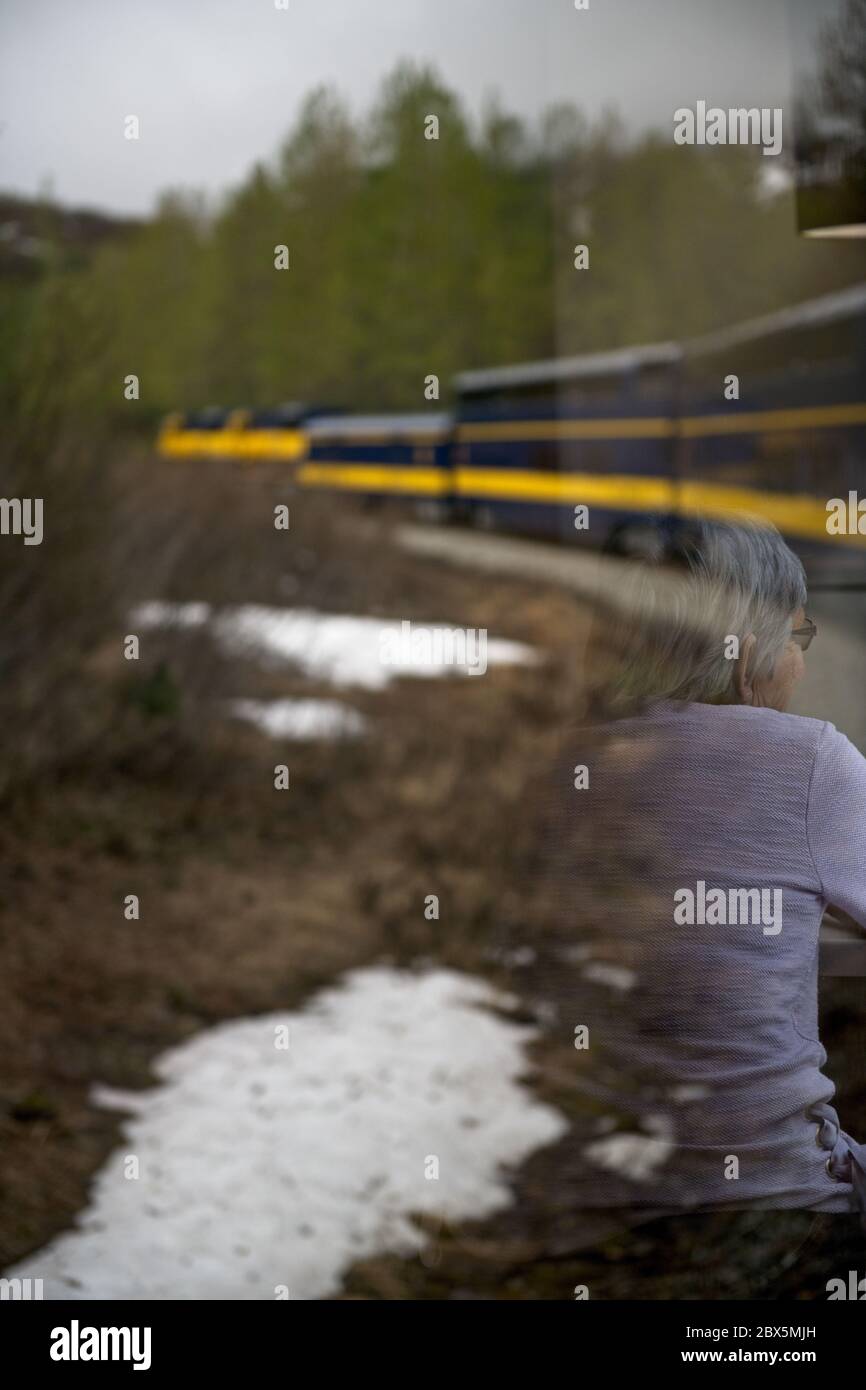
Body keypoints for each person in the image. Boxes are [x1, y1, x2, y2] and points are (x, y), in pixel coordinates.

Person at [538, 517, 866, 1229]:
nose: (801, 665)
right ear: (748, 657)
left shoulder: (550, 766)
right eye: (798, 640)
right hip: (777, 1207)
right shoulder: (810, 763)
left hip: (584, 1205)